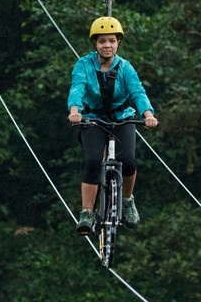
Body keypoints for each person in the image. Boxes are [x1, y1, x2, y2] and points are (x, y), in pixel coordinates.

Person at [67, 15, 158, 233]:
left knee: (127, 160)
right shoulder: (84, 65)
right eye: (102, 41)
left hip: (122, 117)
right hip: (93, 119)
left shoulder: (125, 67)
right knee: (92, 161)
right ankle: (87, 214)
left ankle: (127, 201)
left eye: (111, 41)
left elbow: (137, 92)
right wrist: (74, 111)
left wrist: (147, 114)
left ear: (118, 43)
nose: (107, 45)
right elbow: (77, 88)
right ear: (95, 44)